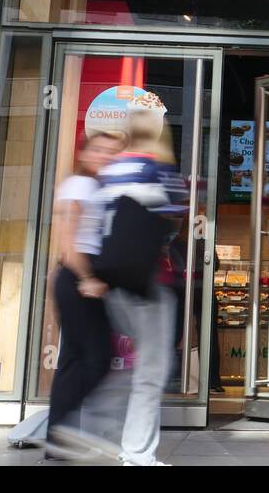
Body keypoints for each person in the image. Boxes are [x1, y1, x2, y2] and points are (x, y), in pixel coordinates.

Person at [81, 97, 188, 466]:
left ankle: (95, 433)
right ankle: (136, 454)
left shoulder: (111, 170)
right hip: (149, 281)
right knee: (153, 370)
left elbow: (99, 222)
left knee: (130, 367)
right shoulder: (156, 168)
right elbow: (174, 217)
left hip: (114, 281)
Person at [44, 130, 124, 458]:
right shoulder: (80, 185)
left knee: (74, 360)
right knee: (97, 358)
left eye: (113, 152)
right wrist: (87, 277)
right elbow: (68, 240)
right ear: (85, 154)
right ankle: (60, 428)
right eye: (100, 150)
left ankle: (56, 439)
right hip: (79, 278)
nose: (106, 156)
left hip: (78, 278)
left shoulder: (96, 187)